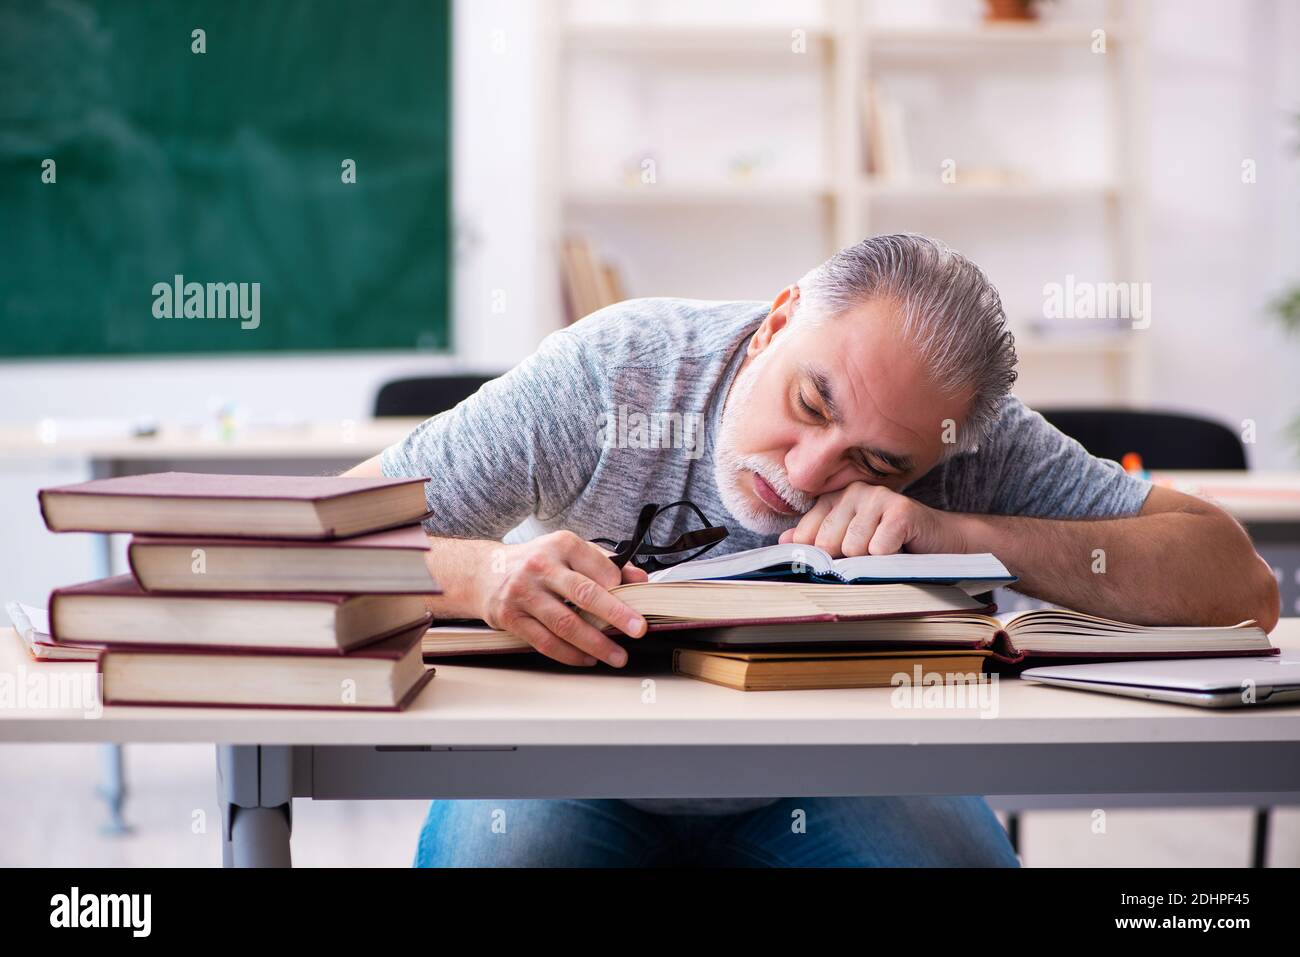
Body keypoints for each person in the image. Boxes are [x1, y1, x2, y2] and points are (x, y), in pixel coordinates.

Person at [346, 233, 1279, 867]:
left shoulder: (971, 437)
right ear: (779, 318)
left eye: (877, 461)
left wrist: (965, 538)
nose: (806, 470)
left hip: (842, 769)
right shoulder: (613, 373)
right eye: (811, 403)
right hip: (567, 768)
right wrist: (485, 573)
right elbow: (309, 538)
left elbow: (1241, 585)